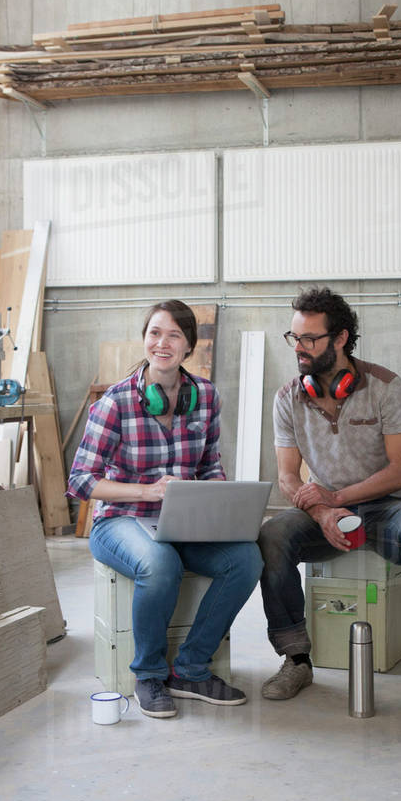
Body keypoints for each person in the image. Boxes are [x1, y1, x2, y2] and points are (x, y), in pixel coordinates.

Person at [258, 287, 401, 722]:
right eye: (294, 338)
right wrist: (323, 512)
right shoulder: (287, 398)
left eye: (309, 339)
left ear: (339, 338)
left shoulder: (386, 387)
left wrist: (337, 499)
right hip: (326, 513)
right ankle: (296, 659)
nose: (299, 348)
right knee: (272, 535)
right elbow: (289, 477)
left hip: (387, 507)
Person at [68, 300, 263, 719]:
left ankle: (191, 669)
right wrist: (149, 491)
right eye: (155, 333)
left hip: (182, 521)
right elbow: (81, 481)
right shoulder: (115, 403)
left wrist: (214, 501)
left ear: (189, 345)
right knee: (161, 563)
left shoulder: (206, 397)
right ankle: (150, 675)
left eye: (174, 335)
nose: (162, 343)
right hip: (119, 522)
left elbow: (211, 463)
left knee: (246, 560)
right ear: (144, 339)